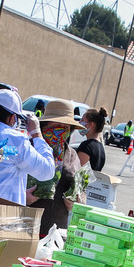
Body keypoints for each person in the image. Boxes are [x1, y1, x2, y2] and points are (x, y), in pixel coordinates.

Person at [29, 99, 87, 235]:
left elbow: (82, 190)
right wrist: (22, 197)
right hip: (25, 224)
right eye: (57, 125)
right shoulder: (29, 147)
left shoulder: (72, 155)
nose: (61, 130)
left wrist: (77, 202)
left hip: (56, 231)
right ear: (45, 125)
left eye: (66, 127)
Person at [76, 107, 107, 172]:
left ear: (91, 124)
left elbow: (78, 171)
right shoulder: (101, 147)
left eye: (82, 120)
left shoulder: (86, 146)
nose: (79, 122)